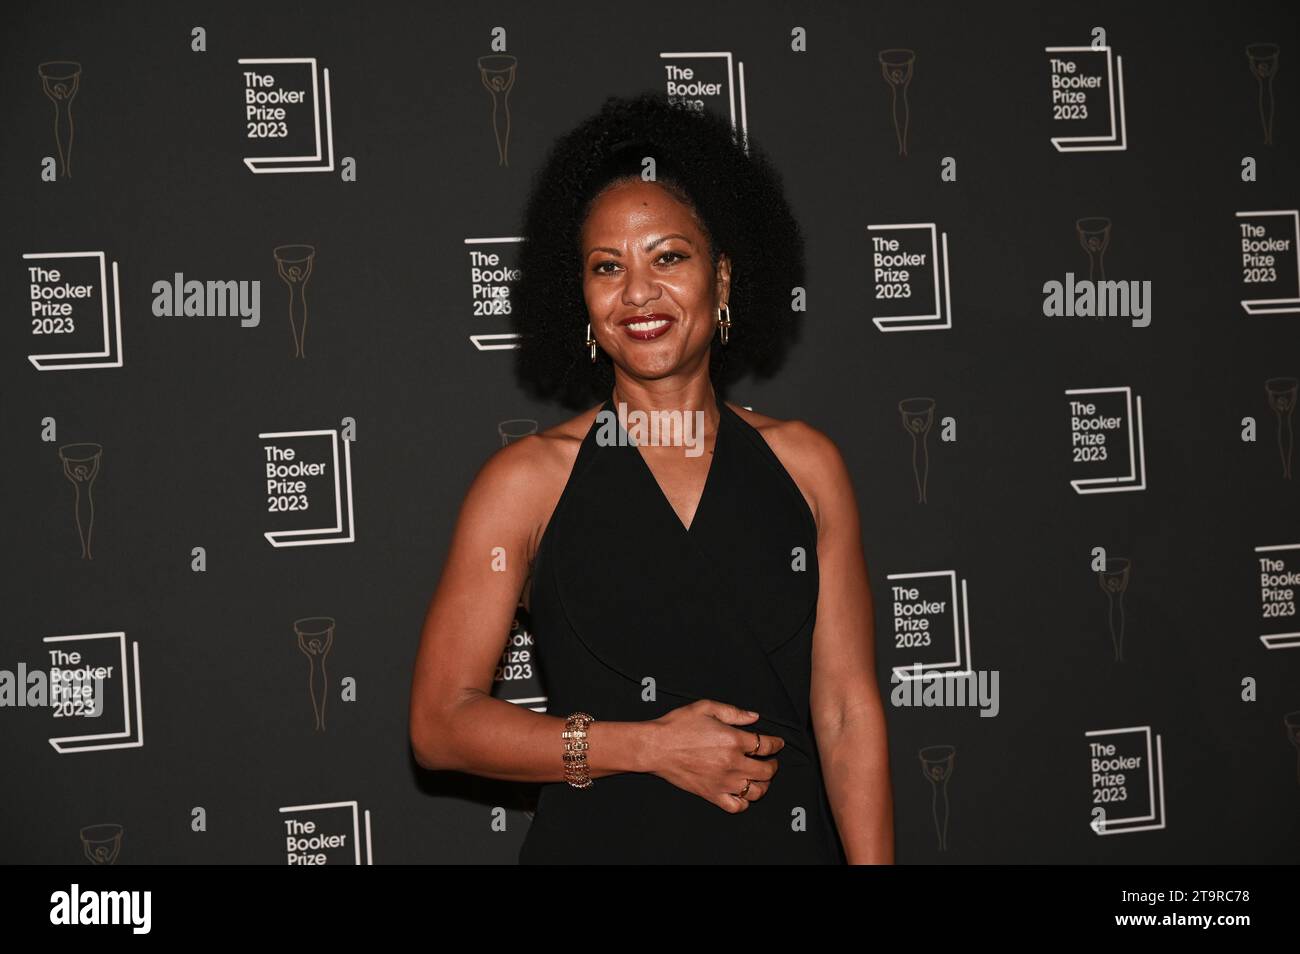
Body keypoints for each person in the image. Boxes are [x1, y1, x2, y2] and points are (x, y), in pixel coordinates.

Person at [409, 91, 893, 864]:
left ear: (722, 279)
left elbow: (846, 713)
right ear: (582, 299)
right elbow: (440, 725)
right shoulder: (526, 482)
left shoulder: (807, 466)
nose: (638, 292)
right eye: (608, 267)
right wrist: (643, 747)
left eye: (668, 256)